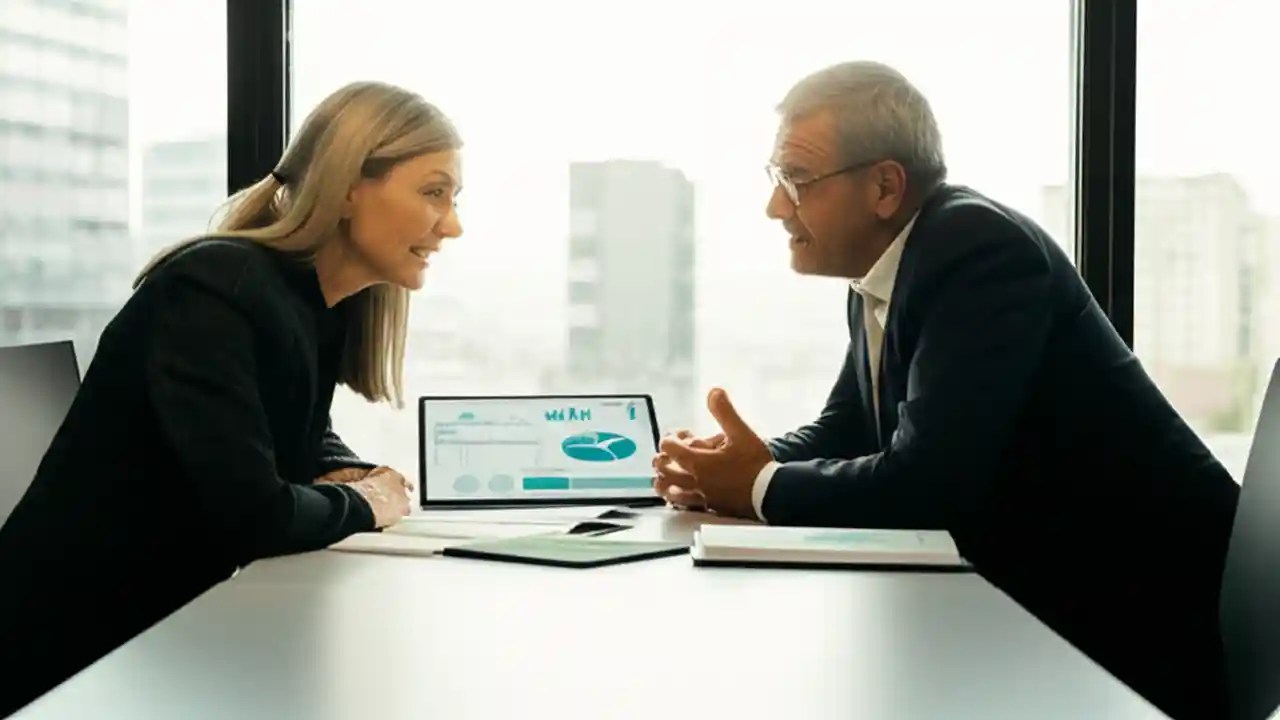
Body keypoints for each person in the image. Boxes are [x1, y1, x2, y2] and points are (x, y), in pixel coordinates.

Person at [653, 61, 1239, 720]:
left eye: (797, 179)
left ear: (884, 186)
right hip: (1052, 596)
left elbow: (928, 485)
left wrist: (757, 485)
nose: (775, 206)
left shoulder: (974, 250)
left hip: (1152, 616)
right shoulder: (888, 272)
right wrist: (724, 465)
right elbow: (847, 430)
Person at [0, 81, 463, 715]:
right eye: (434, 192)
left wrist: (352, 471)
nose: (453, 225)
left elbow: (294, 429)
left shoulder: (308, 304)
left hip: (163, 642)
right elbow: (256, 515)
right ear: (350, 184)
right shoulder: (215, 292)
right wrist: (359, 502)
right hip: (71, 663)